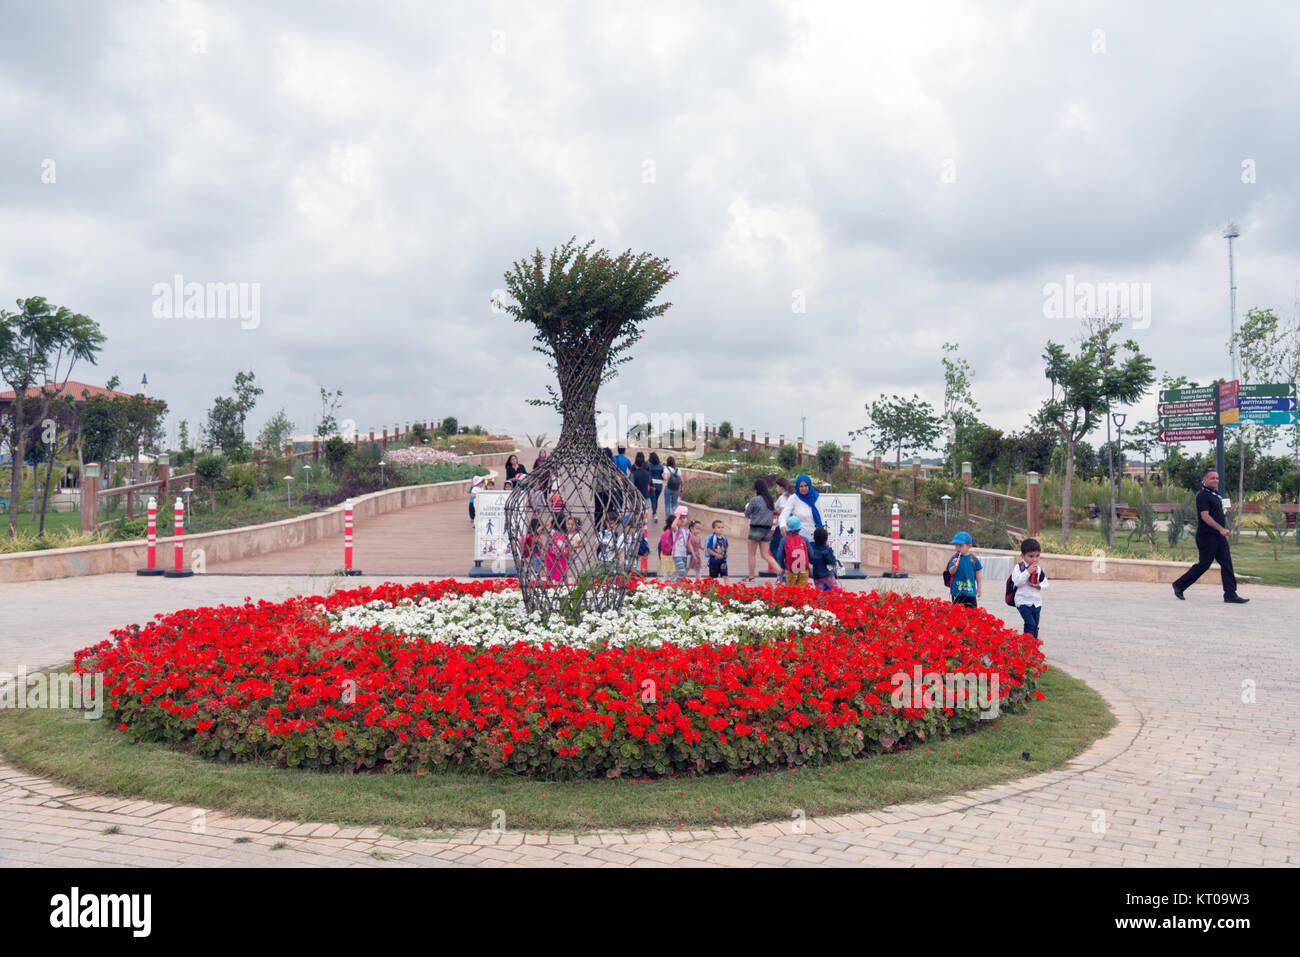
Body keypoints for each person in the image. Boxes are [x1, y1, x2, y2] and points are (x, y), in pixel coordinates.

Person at [1172, 468, 1248, 603]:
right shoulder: (1202, 496)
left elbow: (1219, 512)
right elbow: (1205, 516)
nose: (1216, 480)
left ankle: (1230, 595)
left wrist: (1227, 509)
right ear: (1205, 480)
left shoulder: (1216, 495)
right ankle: (1179, 585)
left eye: (1217, 478)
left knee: (1227, 564)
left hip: (1218, 536)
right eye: (1212, 478)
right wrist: (1220, 529)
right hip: (1207, 537)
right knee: (1204, 565)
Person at [743, 478, 782, 580]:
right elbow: (773, 512)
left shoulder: (755, 500)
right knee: (765, 554)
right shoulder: (769, 500)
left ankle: (751, 576)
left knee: (751, 554)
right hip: (767, 530)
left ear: (757, 489)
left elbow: (747, 513)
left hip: (755, 529)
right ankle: (780, 572)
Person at [1010, 537, 1048, 637]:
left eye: (1037, 556)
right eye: (1031, 556)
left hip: (1036, 602)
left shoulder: (1038, 569)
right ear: (1022, 555)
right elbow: (1017, 582)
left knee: (1035, 625)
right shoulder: (1019, 567)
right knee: (1030, 624)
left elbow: (1046, 583)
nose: (1034, 559)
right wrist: (1028, 572)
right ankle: (1028, 646)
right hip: (1022, 601)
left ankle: (1033, 647)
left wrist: (1038, 586)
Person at [778, 473, 822, 543]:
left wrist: (824, 538)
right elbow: (783, 515)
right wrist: (782, 526)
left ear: (809, 485)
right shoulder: (794, 498)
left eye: (806, 485)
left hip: (814, 538)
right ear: (798, 487)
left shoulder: (816, 498)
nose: (804, 488)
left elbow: (821, 518)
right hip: (799, 539)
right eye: (801, 486)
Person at [945, 531, 982, 607]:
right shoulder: (954, 558)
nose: (957, 548)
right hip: (957, 591)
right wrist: (955, 566)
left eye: (961, 545)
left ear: (969, 546)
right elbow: (951, 572)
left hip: (970, 592)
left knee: (972, 613)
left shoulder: (973, 559)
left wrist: (979, 587)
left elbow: (978, 572)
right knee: (957, 612)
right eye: (956, 545)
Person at [776, 515, 811, 587]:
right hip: (803, 570)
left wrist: (783, 566)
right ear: (800, 528)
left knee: (791, 591)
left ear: (788, 528)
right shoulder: (805, 540)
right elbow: (811, 555)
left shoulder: (784, 540)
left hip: (789, 570)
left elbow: (779, 556)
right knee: (802, 591)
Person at [810, 526, 842, 591]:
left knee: (819, 592)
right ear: (826, 539)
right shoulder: (827, 550)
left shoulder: (812, 549)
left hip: (817, 575)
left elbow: (811, 560)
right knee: (835, 589)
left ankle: (820, 600)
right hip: (827, 574)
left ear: (814, 538)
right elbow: (831, 561)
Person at [671, 512, 691, 581]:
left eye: (684, 518)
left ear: (687, 519)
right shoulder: (676, 529)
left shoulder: (687, 531)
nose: (682, 520)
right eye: (680, 518)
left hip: (684, 554)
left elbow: (688, 543)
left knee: (682, 572)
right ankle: (674, 583)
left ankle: (676, 584)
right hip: (677, 554)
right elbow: (673, 526)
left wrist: (693, 554)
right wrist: (677, 516)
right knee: (681, 571)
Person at [648, 452, 665, 520]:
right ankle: (654, 513)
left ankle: (654, 514)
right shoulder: (661, 466)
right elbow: (663, 475)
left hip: (653, 484)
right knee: (656, 499)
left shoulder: (649, 465)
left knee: (653, 500)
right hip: (659, 485)